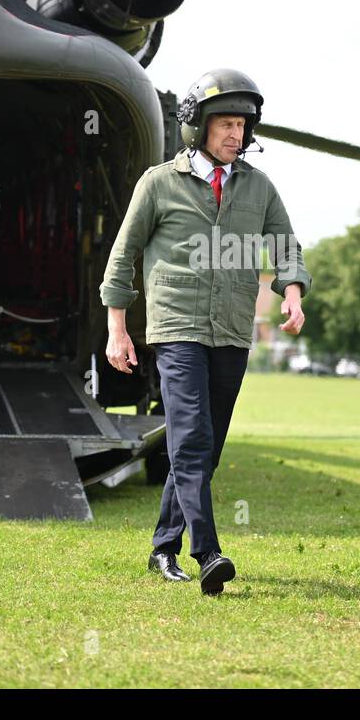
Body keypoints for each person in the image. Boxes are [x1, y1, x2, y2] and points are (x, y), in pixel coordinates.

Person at [99, 68, 311, 595]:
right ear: (197, 126)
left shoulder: (259, 187)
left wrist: (291, 291)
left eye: (242, 125)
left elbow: (286, 245)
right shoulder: (158, 183)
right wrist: (117, 329)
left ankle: (162, 548)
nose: (236, 134)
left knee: (205, 446)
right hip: (175, 328)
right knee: (190, 437)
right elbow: (122, 258)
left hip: (232, 331)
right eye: (225, 124)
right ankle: (208, 552)